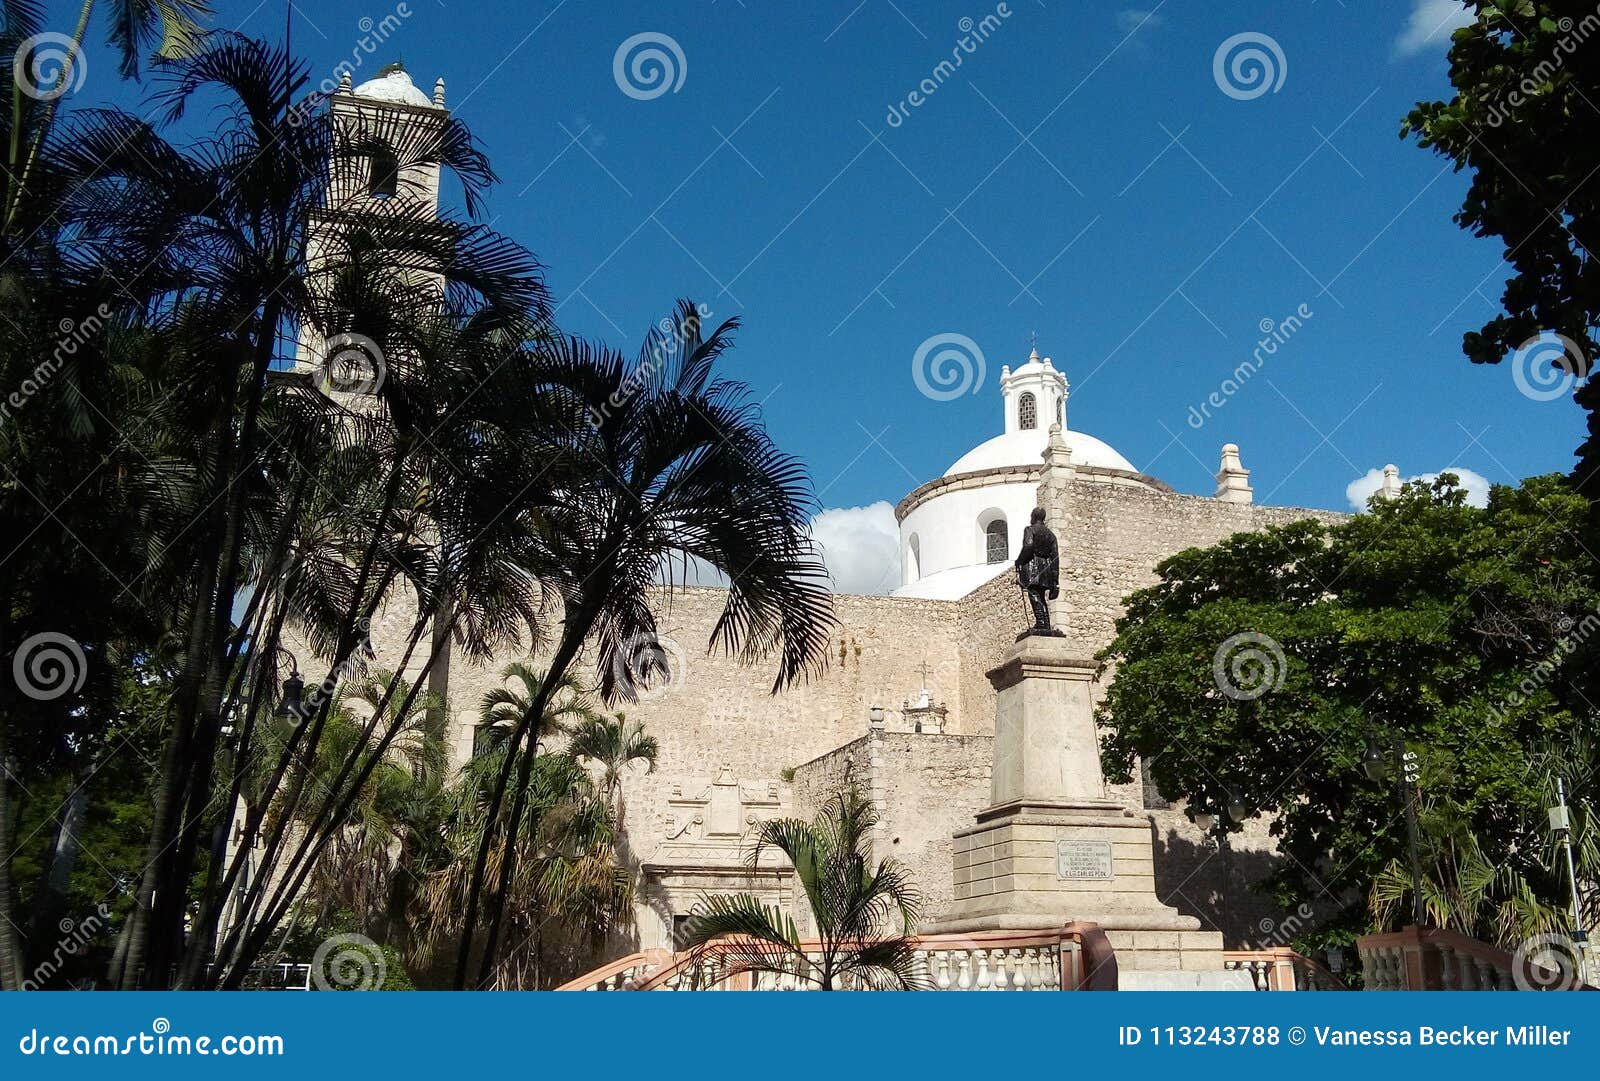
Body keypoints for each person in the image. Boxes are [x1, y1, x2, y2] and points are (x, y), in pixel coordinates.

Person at [1015, 507, 1060, 633]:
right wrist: (1055, 579)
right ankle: (1046, 624)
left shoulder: (1030, 529)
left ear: (1033, 517)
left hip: (1032, 565)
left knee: (1034, 593)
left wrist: (1019, 560)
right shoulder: (1051, 535)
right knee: (1041, 597)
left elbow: (1028, 546)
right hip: (1046, 568)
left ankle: (1041, 623)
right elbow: (1055, 557)